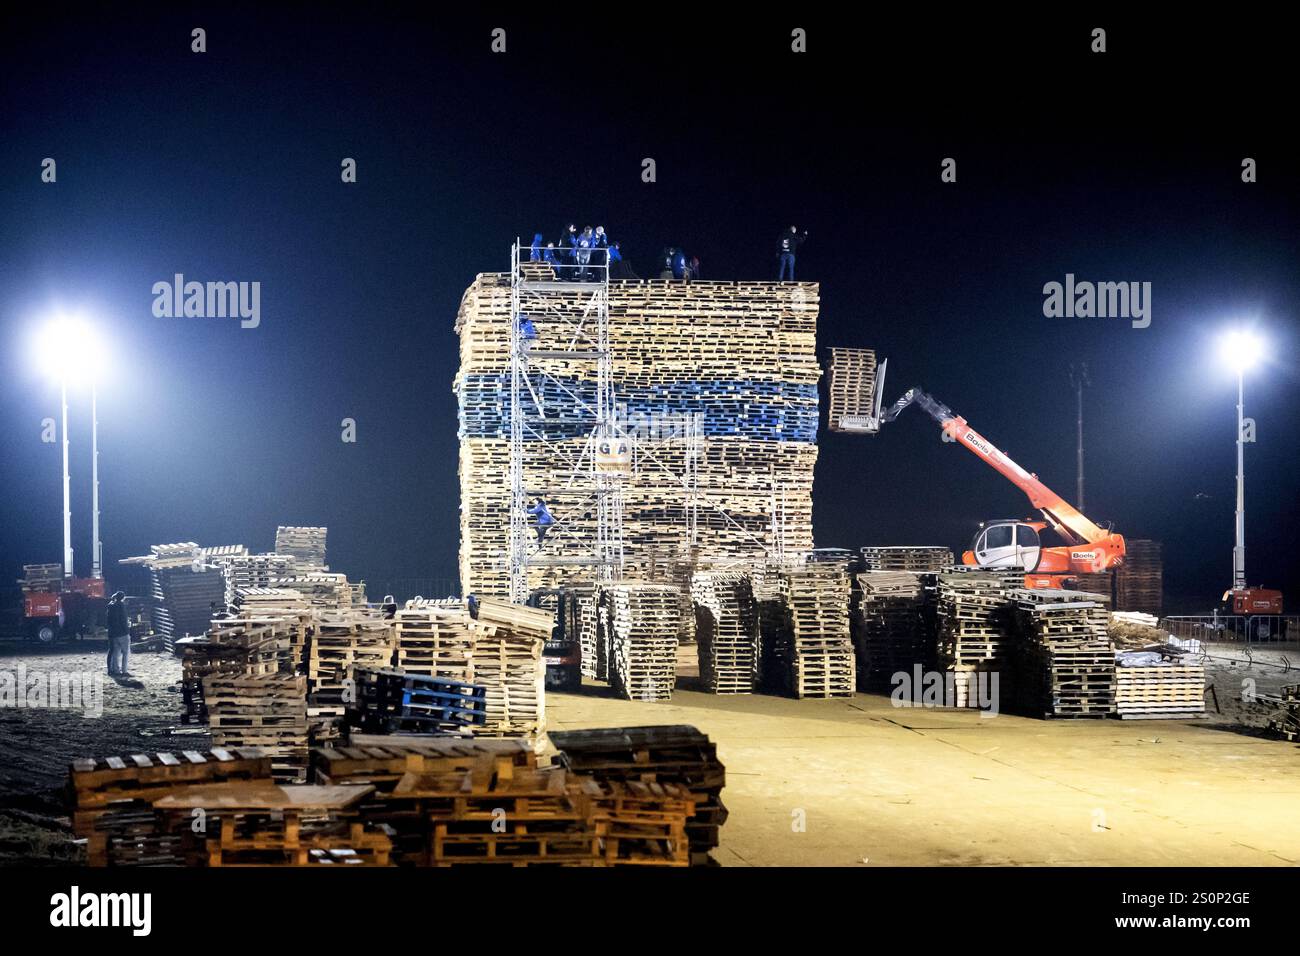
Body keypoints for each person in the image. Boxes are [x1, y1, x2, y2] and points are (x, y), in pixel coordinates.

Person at [106, 591, 130, 677]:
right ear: (123, 598)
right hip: (122, 632)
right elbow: (123, 619)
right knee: (125, 652)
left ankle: (116, 670)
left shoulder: (110, 606)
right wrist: (127, 629)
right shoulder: (121, 606)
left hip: (113, 633)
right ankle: (124, 670)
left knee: (116, 653)